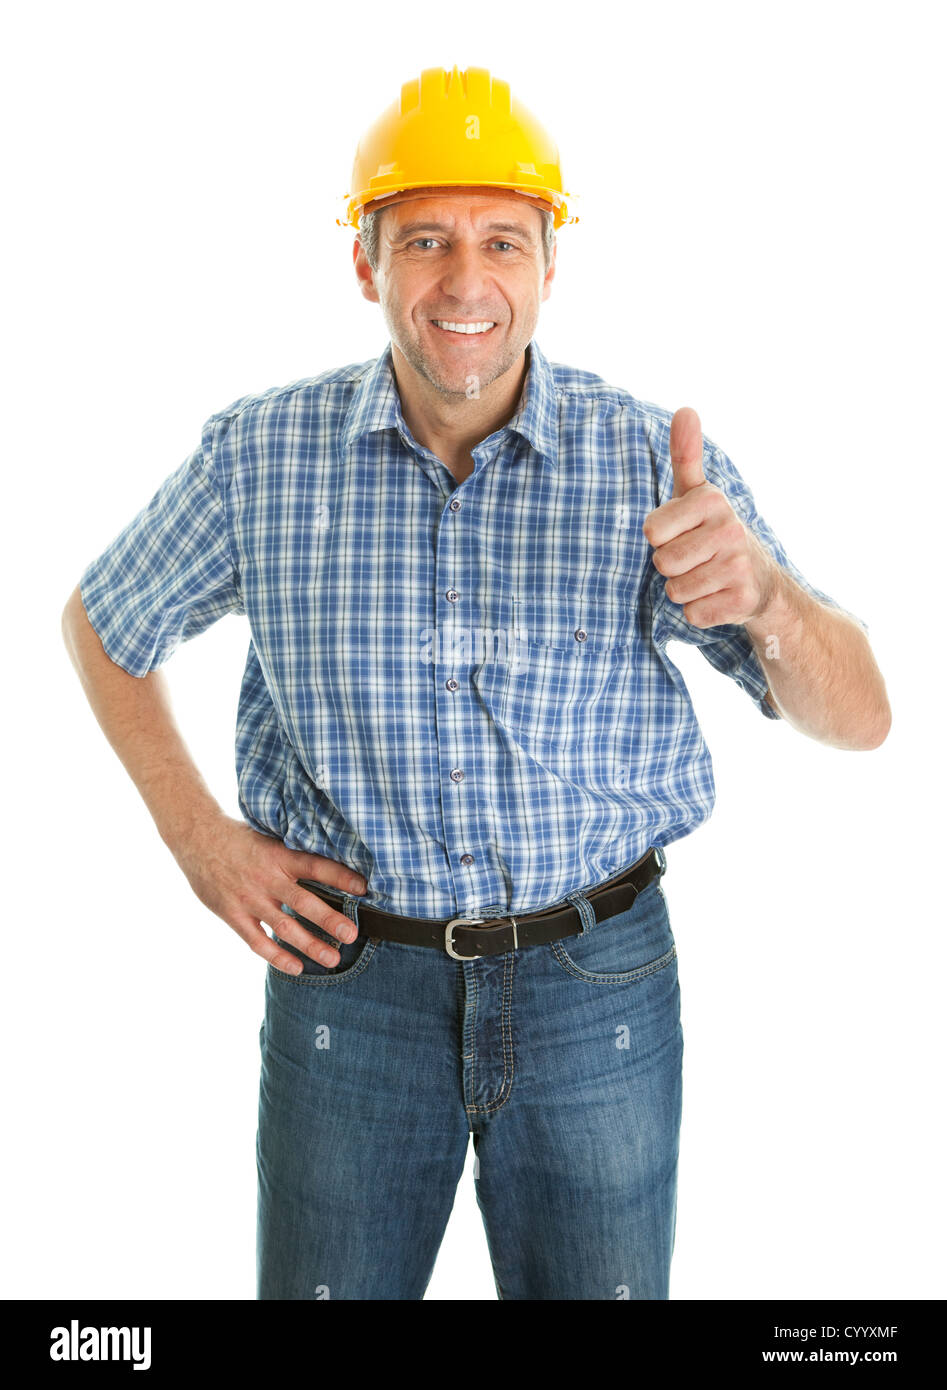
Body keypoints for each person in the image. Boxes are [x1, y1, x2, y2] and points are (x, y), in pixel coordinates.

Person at [62, 65, 891, 1301]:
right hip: (350, 986)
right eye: (425, 240)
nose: (464, 281)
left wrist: (767, 599)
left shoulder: (646, 463)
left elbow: (862, 717)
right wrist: (197, 838)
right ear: (365, 264)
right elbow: (105, 622)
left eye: (502, 241)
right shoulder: (260, 457)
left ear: (549, 266)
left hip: (595, 988)